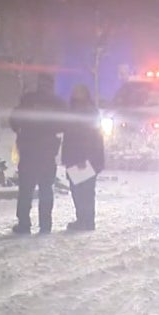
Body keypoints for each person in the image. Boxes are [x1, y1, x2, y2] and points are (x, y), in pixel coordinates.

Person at [9, 72, 66, 235]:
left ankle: (24, 224)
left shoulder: (28, 99)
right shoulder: (58, 103)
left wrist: (21, 130)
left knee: (26, 190)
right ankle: (45, 225)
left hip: (29, 150)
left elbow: (14, 119)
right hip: (47, 152)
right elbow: (64, 124)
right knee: (46, 189)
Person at [61, 84, 105, 231]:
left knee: (83, 191)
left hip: (83, 158)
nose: (75, 94)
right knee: (80, 190)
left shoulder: (84, 112)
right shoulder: (80, 111)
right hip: (80, 157)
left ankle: (86, 220)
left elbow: (90, 137)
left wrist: (84, 158)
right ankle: (85, 220)